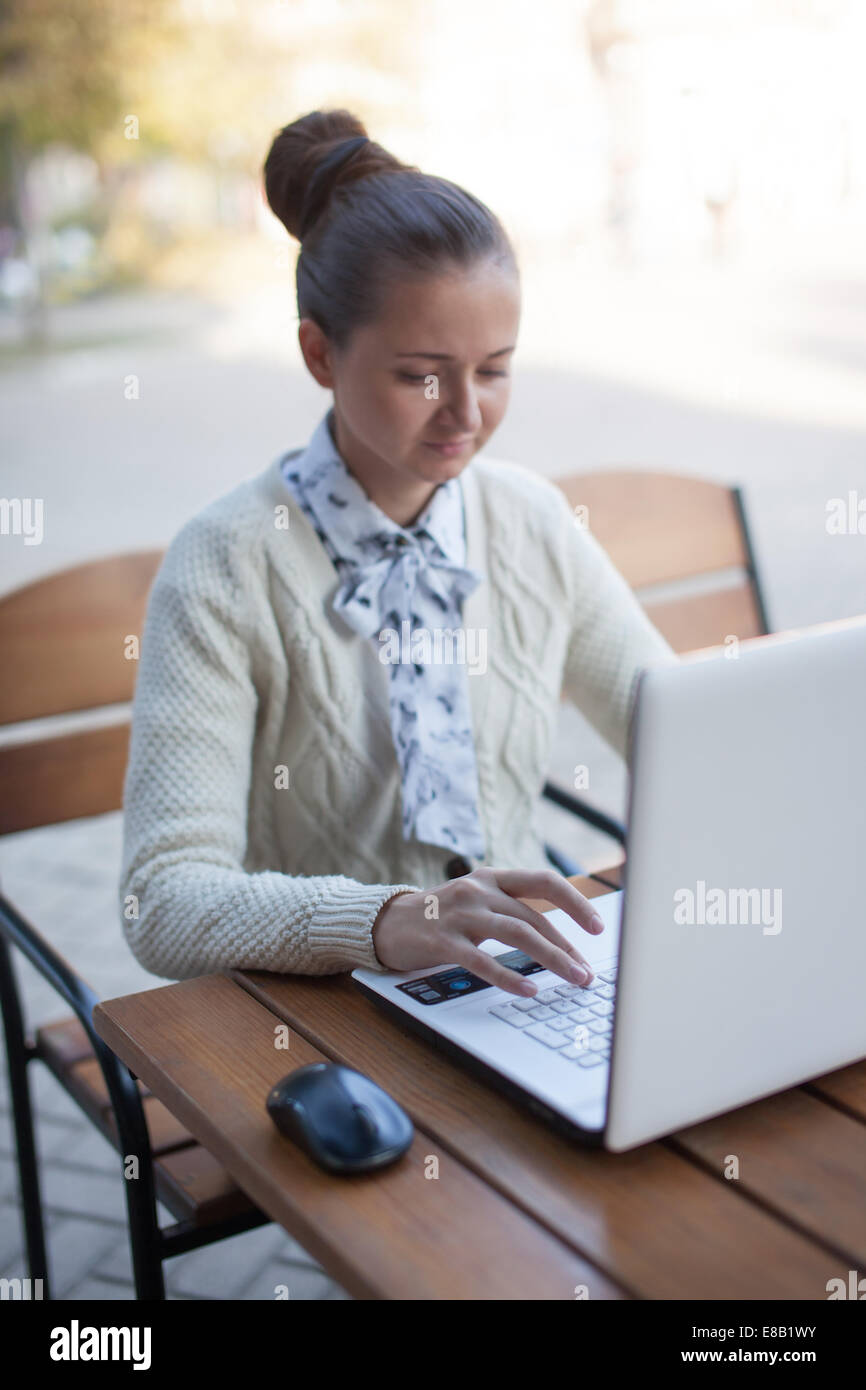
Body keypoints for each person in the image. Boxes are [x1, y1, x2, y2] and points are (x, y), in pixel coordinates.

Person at [119, 108, 677, 997]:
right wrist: (388, 920)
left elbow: (673, 724)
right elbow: (164, 901)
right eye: (422, 374)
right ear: (320, 353)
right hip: (320, 1003)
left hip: (526, 982)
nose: (465, 413)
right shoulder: (224, 565)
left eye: (494, 369)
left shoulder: (531, 519)